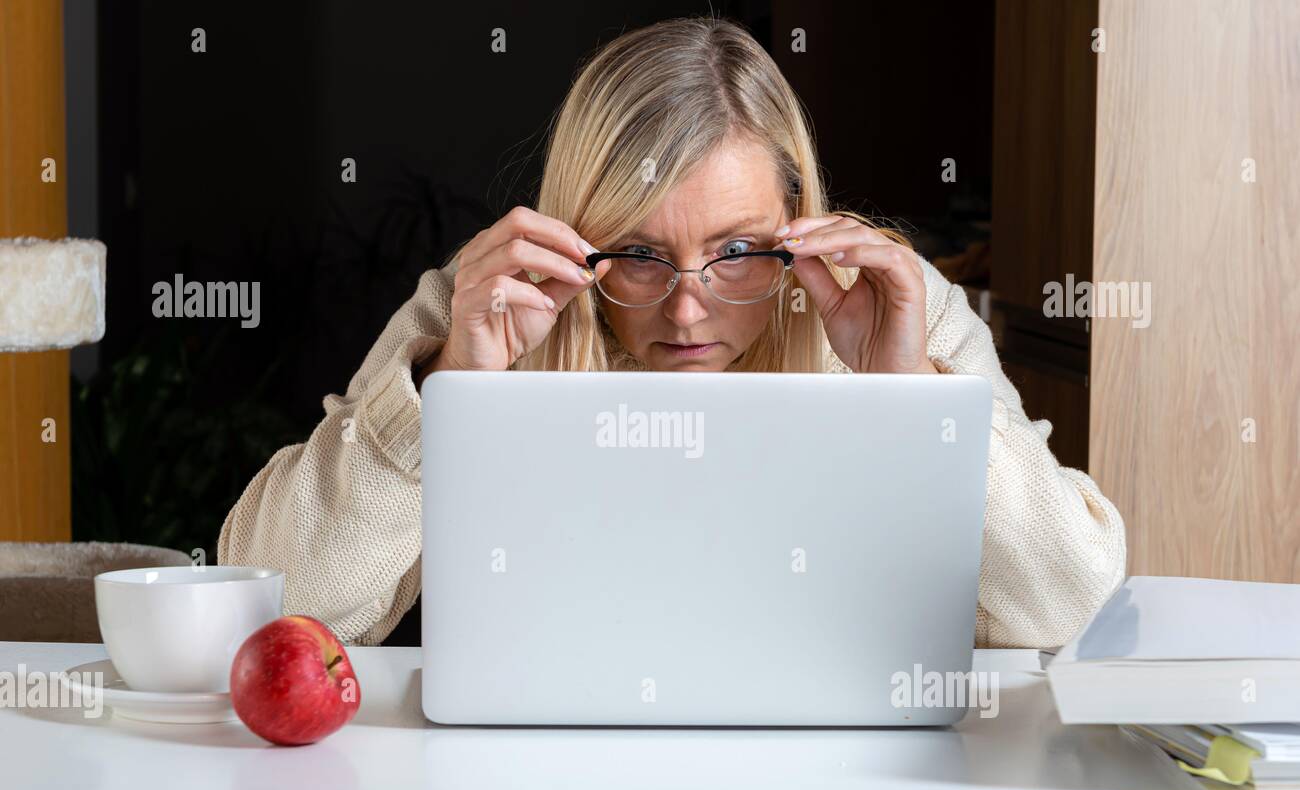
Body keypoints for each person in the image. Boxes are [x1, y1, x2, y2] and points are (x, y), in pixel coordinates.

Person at [217, 16, 1126, 649]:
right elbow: (274, 613)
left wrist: (920, 405)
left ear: (799, 218)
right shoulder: (485, 310)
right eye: (641, 254)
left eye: (737, 250)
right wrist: (447, 390)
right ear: (582, 231)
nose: (688, 310)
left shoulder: (899, 311)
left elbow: (1069, 607)